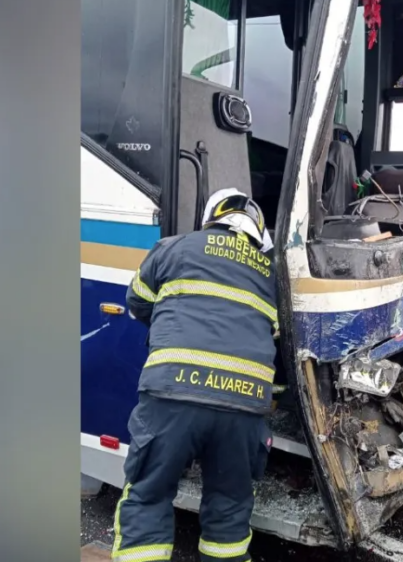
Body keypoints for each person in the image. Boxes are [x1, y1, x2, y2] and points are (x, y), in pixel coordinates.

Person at [113, 190, 277, 562]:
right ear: (257, 231)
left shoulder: (174, 247)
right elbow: (277, 343)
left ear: (210, 218)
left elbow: (138, 302)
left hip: (172, 397)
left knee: (148, 494)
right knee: (230, 506)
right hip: (243, 407)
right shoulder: (270, 274)